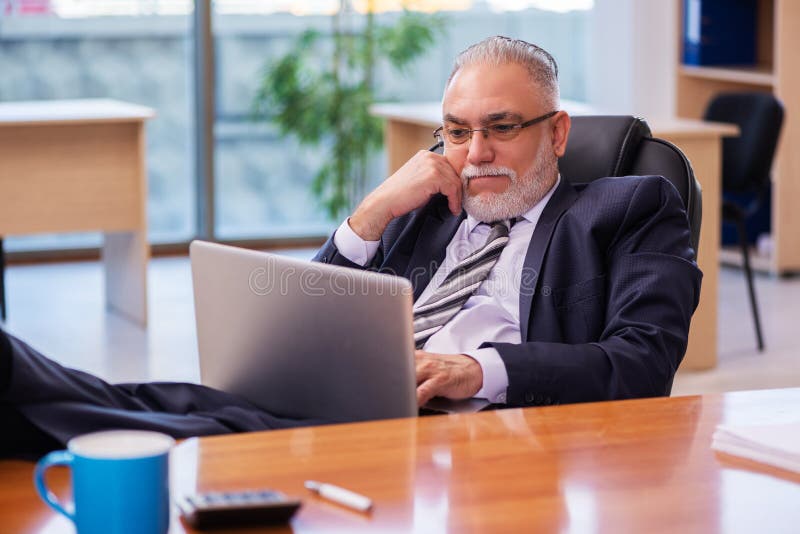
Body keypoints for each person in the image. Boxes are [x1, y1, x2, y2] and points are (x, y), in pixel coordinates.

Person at [0, 36, 701, 458]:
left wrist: (475, 370)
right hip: (339, 399)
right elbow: (311, 319)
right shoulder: (431, 205)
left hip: (451, 434)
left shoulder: (630, 206)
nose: (476, 153)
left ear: (557, 133)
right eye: (456, 131)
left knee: (140, 434)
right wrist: (370, 213)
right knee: (144, 401)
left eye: (502, 127)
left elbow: (640, 364)